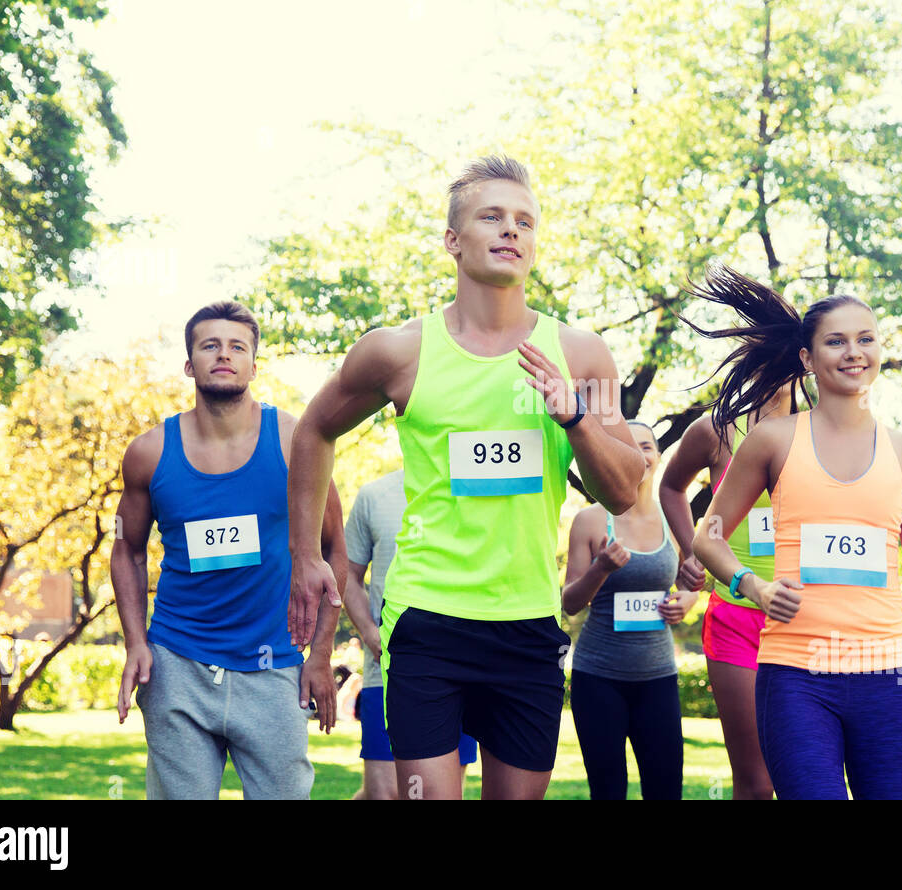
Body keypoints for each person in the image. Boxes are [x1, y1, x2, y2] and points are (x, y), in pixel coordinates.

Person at [286, 156, 645, 800]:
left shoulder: (582, 354)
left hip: (529, 622)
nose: (512, 231)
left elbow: (623, 490)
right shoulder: (399, 351)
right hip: (428, 620)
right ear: (454, 240)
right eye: (492, 217)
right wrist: (305, 553)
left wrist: (575, 417)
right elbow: (314, 430)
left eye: (525, 221)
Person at [689, 262, 902, 800]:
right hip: (796, 676)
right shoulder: (772, 440)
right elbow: (709, 536)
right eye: (836, 342)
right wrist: (755, 586)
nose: (853, 352)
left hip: (888, 676)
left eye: (866, 339)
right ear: (807, 358)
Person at [112, 300, 350, 800]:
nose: (224, 355)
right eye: (210, 345)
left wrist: (321, 654)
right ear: (189, 363)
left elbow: (334, 549)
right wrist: (136, 641)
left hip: (274, 662)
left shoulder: (295, 441)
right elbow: (128, 552)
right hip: (177, 662)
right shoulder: (149, 453)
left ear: (253, 365)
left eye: (237, 346)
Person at [659, 388, 789, 800]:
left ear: (804, 356)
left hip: (806, 619)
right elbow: (670, 487)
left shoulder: (822, 427)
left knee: (804, 776)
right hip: (737, 617)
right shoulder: (715, 429)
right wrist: (689, 550)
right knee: (757, 783)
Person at [562, 420, 695, 799]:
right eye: (627, 445)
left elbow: (695, 577)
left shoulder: (675, 520)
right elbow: (570, 603)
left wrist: (688, 598)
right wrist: (601, 568)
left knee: (665, 788)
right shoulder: (591, 520)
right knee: (608, 790)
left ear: (657, 455)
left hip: (658, 678)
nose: (639, 454)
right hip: (598, 677)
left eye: (647, 446)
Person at [341, 469, 479, 799]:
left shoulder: (476, 482)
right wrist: (371, 634)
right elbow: (347, 575)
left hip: (462, 672)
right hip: (386, 670)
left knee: (437, 794)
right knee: (384, 794)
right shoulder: (375, 495)